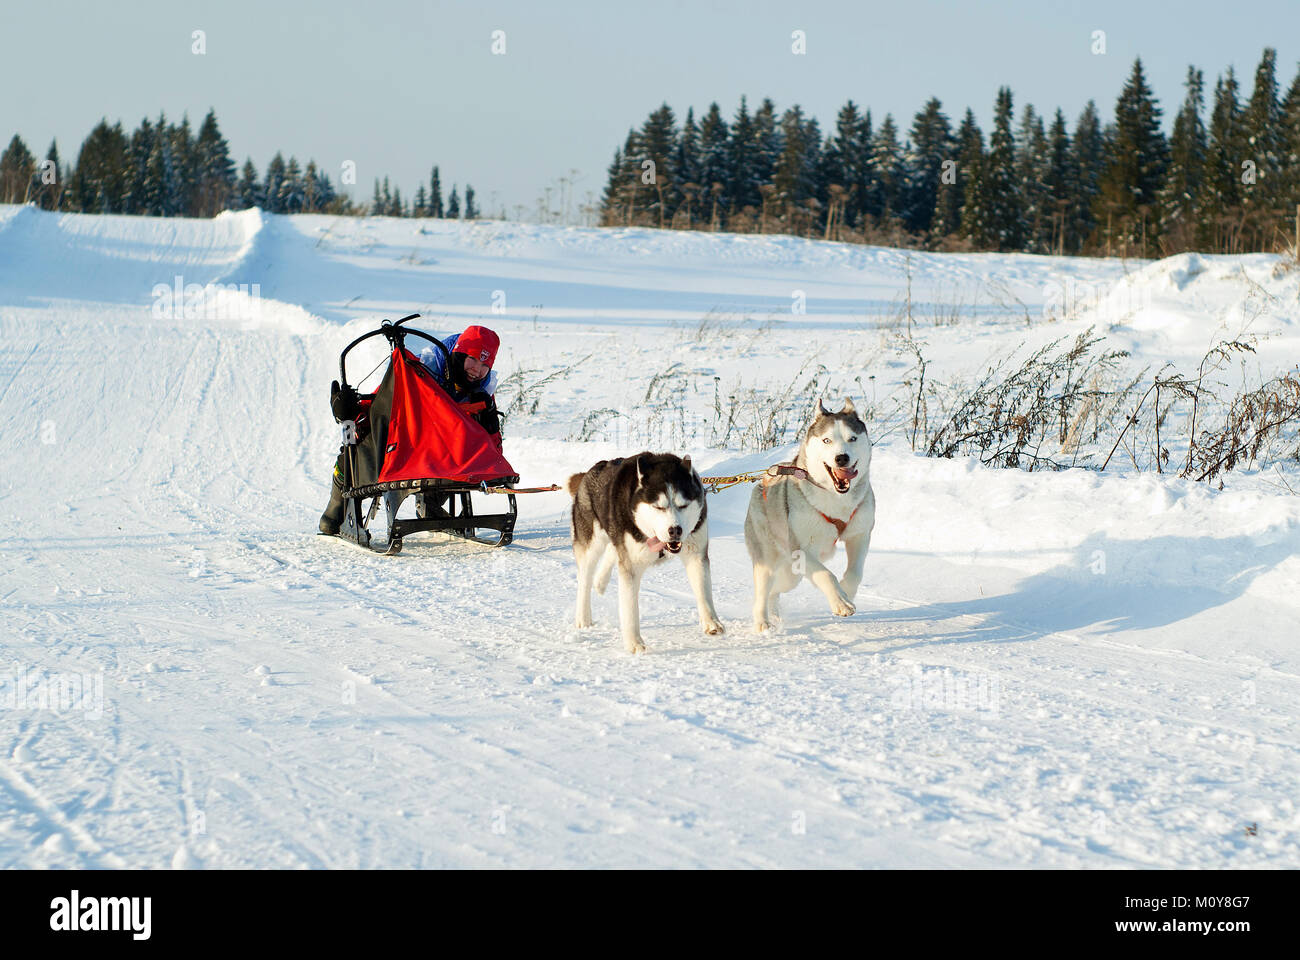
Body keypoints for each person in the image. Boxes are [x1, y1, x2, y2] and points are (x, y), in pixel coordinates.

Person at [318, 324, 504, 535]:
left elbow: (493, 451)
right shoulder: (420, 370)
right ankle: (337, 508)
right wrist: (347, 411)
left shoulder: (481, 393)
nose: (477, 370)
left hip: (441, 460)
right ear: (459, 354)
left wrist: (489, 421)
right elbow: (381, 406)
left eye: (484, 365)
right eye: (472, 359)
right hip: (398, 449)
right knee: (354, 452)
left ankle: (430, 503)